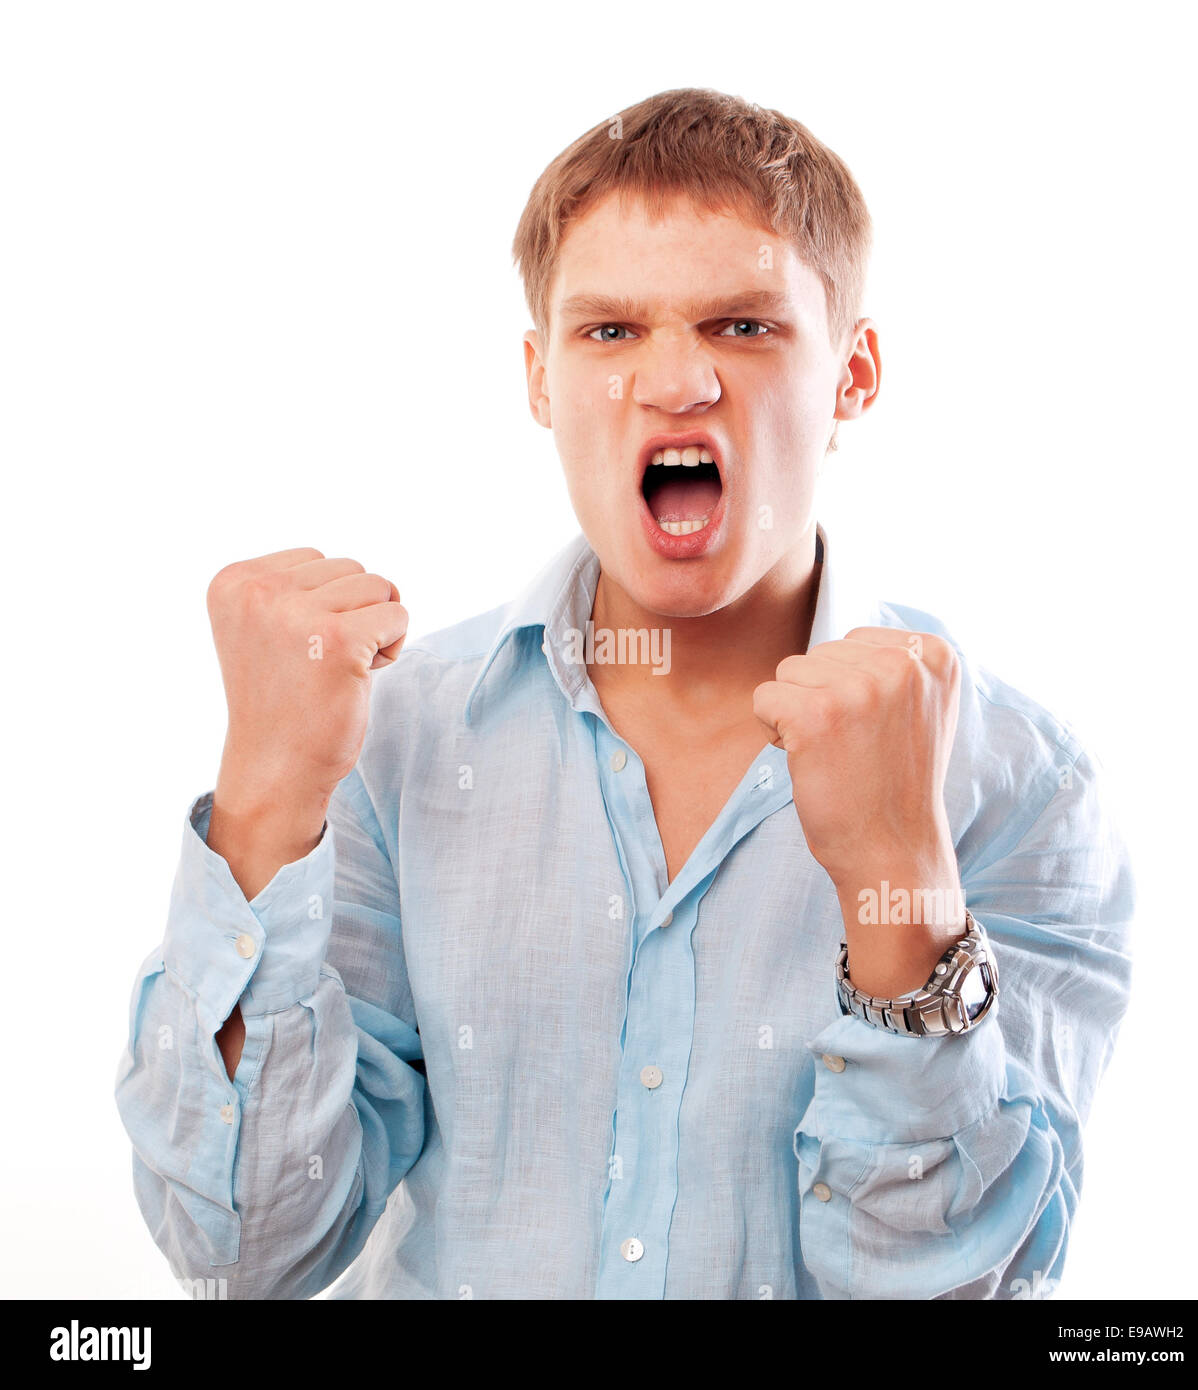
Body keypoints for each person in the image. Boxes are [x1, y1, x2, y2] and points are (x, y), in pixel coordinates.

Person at [114, 87, 1134, 1300]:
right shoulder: (397, 737)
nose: (676, 382)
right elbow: (247, 1254)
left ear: (853, 373)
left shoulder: (1018, 783)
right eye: (608, 333)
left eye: (744, 325)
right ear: (540, 377)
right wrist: (263, 802)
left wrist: (896, 885)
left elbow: (953, 1293)